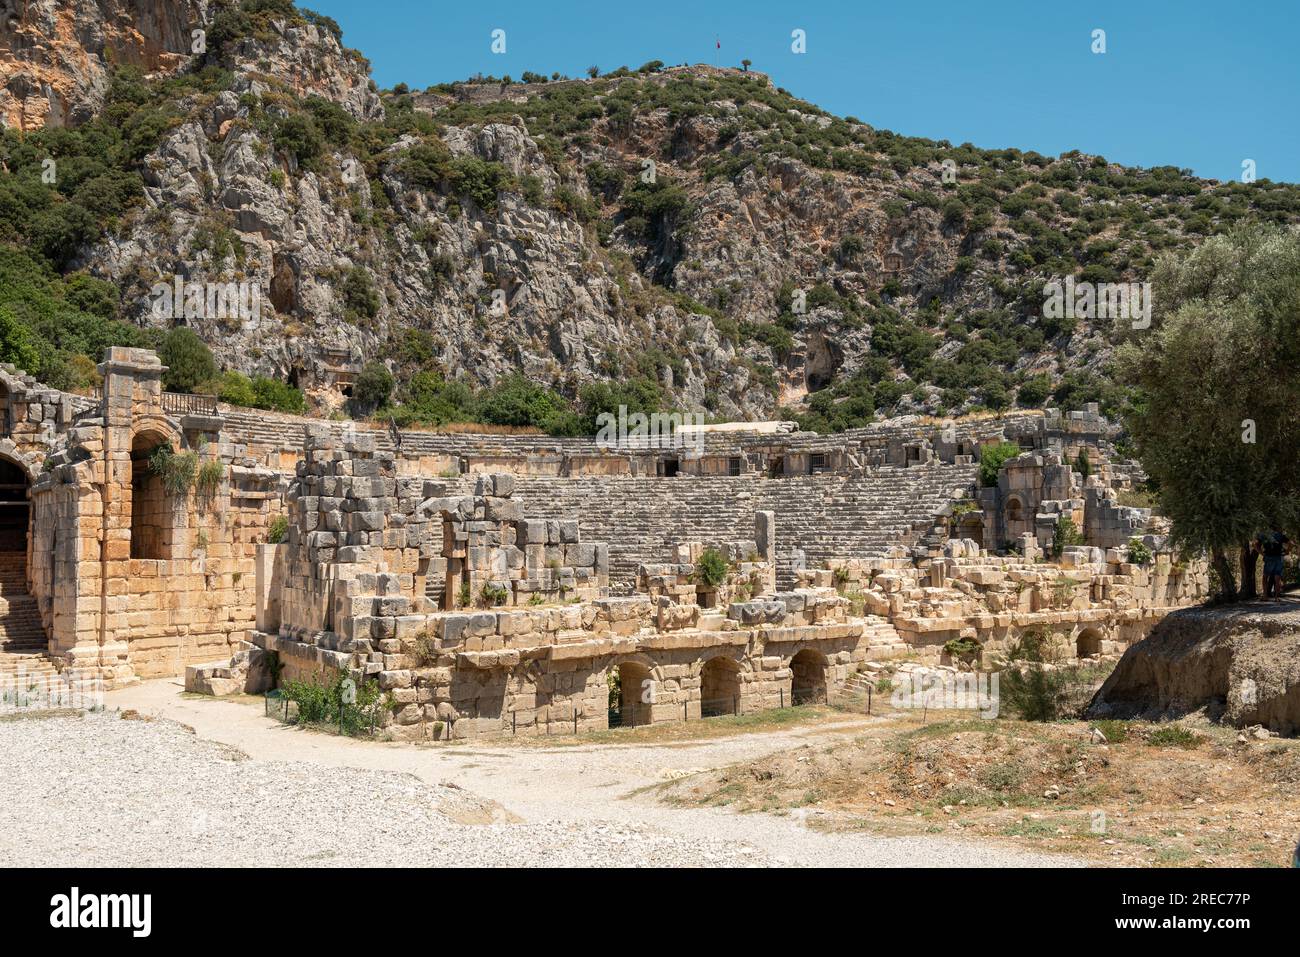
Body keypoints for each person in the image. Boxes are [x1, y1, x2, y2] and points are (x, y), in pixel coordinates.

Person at [1256, 530, 1291, 601]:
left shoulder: (1263, 534)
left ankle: (1265, 596)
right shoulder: (1280, 534)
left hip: (1268, 557)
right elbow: (1290, 543)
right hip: (1279, 557)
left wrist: (1262, 553)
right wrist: (1287, 551)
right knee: (1277, 578)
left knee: (1265, 577)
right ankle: (1276, 597)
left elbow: (1255, 545)